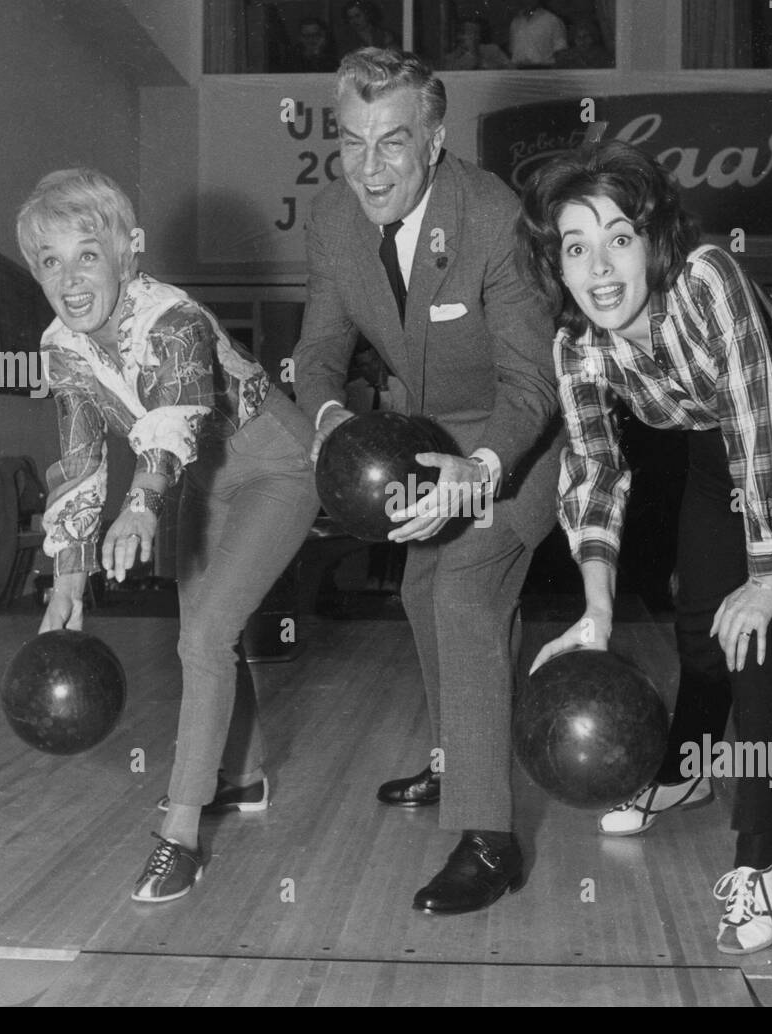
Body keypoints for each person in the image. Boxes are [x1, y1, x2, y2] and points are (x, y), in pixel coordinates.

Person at [515, 140, 772, 954]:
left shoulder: (707, 278)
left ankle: (758, 860)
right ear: (559, 267)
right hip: (721, 458)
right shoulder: (578, 349)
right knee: (695, 629)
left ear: (652, 241)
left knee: (758, 637)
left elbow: (760, 421)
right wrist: (596, 612)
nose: (600, 267)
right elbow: (598, 474)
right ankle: (683, 774)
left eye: (618, 239)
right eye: (576, 247)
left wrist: (768, 574)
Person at [294, 48, 562, 915]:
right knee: (418, 594)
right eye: (353, 142)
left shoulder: (491, 217)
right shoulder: (334, 220)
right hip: (422, 442)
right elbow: (318, 353)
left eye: (394, 144)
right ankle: (458, 758)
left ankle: (490, 837)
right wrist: (333, 420)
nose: (370, 169)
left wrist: (482, 471)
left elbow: (534, 386)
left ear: (435, 142)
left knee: (463, 598)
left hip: (514, 449)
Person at [17, 169, 319, 903]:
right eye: (49, 261)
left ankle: (179, 838)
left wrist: (145, 500)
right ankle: (240, 777)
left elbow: (173, 421)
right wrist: (67, 581)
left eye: (86, 254)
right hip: (202, 478)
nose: (69, 278)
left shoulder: (174, 318)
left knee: (205, 635)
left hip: (277, 463)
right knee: (205, 633)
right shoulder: (62, 346)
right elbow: (83, 457)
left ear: (129, 252)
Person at [443, 16, 510, 70]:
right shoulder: (451, 58)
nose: (475, 37)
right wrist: (472, 56)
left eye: (477, 33)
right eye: (470, 33)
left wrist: (481, 61)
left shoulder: (493, 50)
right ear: (459, 36)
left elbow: (511, 68)